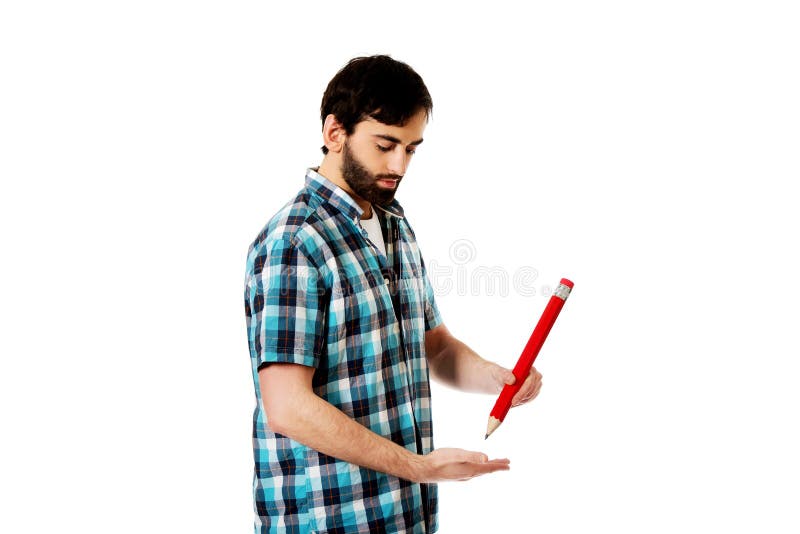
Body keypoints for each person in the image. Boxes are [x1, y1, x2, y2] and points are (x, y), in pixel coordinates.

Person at [244, 55, 543, 533]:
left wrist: (496, 378)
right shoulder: (294, 242)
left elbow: (435, 346)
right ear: (335, 132)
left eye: (411, 148)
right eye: (385, 145)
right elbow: (286, 406)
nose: (399, 165)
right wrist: (420, 467)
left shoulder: (393, 224)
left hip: (404, 515)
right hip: (329, 519)